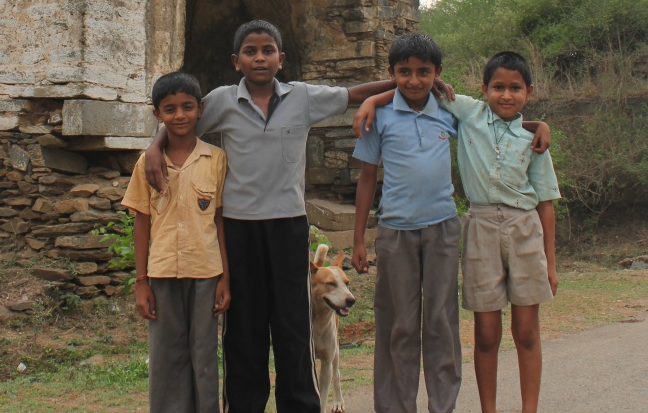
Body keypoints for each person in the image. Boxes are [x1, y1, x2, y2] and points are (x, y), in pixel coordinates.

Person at [144, 20, 424, 413]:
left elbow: (354, 93)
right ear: (236, 61)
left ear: (281, 58)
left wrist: (410, 86)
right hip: (240, 229)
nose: (260, 57)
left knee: (294, 326)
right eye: (250, 51)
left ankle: (301, 405)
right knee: (244, 328)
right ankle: (244, 406)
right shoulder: (222, 101)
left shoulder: (303, 97)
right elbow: (181, 125)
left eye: (267, 50)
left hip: (289, 227)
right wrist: (155, 147)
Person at [354, 44, 560, 413]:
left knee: (448, 325)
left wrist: (538, 124)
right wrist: (373, 101)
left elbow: (502, 122)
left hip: (462, 229)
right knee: (415, 327)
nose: (414, 79)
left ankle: (450, 407)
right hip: (424, 228)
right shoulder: (405, 115)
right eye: (498, 87)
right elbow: (416, 88)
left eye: (424, 72)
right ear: (483, 89)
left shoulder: (465, 118)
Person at [123, 72, 230, 413]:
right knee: (166, 357)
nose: (180, 115)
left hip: (206, 272)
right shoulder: (147, 163)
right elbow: (142, 221)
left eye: (187, 107)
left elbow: (219, 220)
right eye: (170, 109)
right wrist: (141, 282)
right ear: (157, 115)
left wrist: (225, 277)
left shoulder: (216, 159)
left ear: (200, 109)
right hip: (163, 273)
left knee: (203, 356)